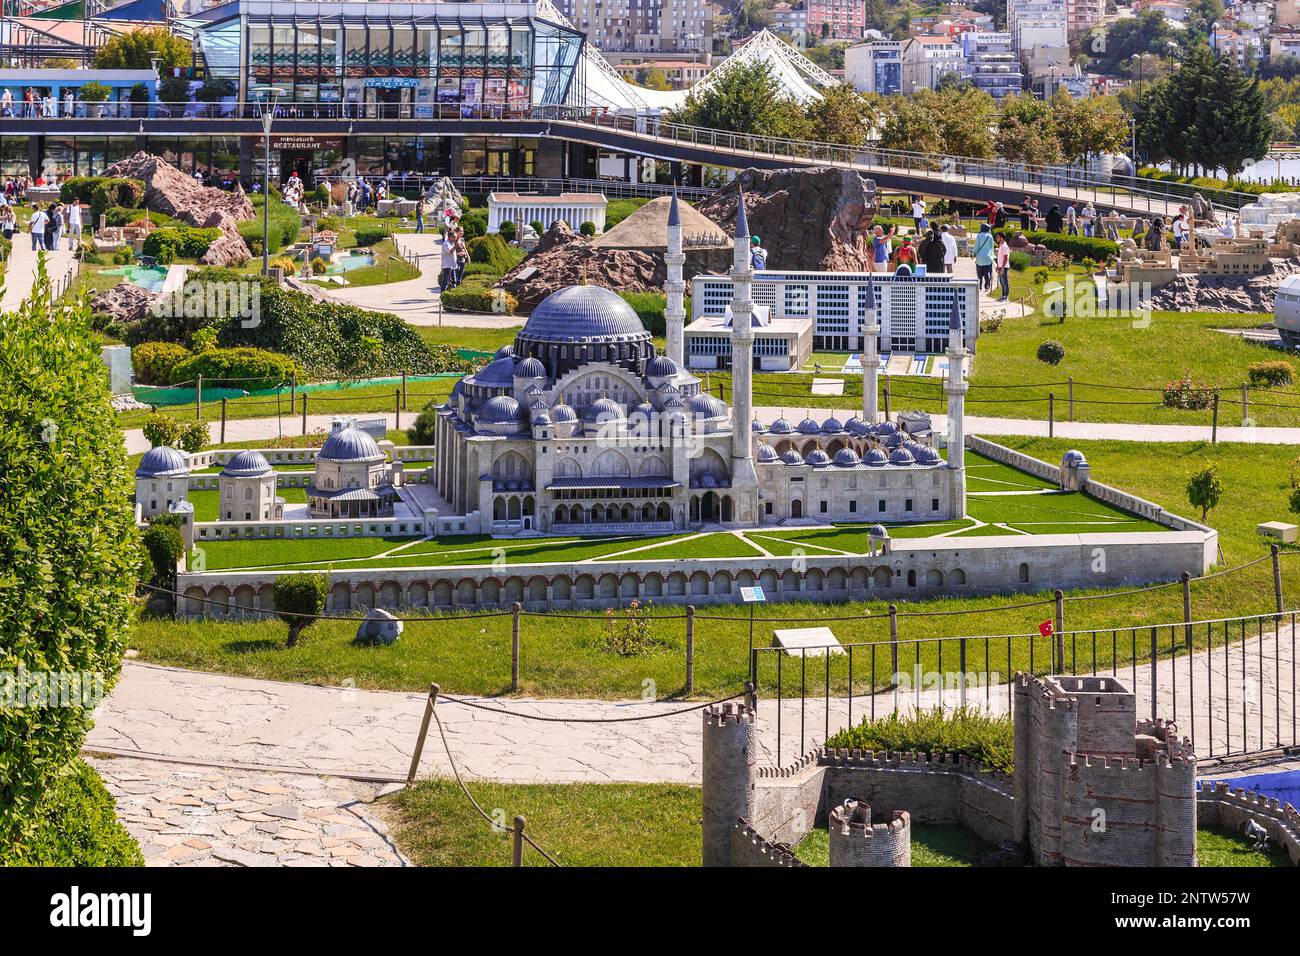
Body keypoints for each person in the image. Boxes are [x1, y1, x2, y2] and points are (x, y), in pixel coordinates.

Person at [973, 223, 994, 293]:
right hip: (988, 257)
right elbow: (992, 247)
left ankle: (980, 285)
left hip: (979, 258)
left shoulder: (979, 236)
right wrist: (992, 256)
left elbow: (977, 246)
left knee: (979, 273)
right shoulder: (990, 236)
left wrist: (973, 253)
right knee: (987, 272)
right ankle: (987, 286)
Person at [994, 232, 1011, 301]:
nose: (996, 238)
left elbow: (1006, 257)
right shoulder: (1001, 245)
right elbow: (1000, 257)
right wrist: (998, 266)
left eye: (998, 237)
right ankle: (1003, 295)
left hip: (1004, 267)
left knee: (1004, 282)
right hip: (1001, 266)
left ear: (1001, 238)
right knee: (1002, 282)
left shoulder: (1004, 246)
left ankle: (1005, 296)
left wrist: (1003, 267)